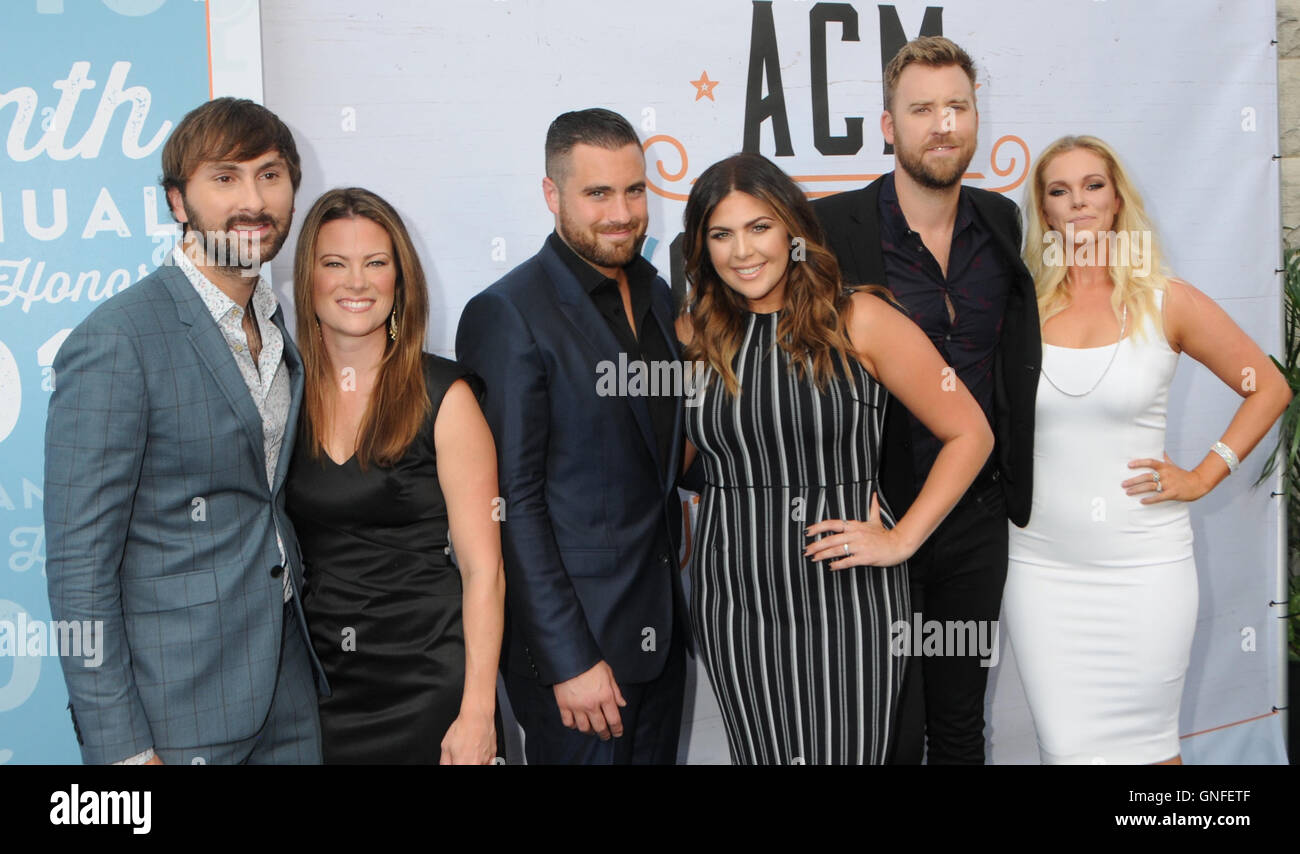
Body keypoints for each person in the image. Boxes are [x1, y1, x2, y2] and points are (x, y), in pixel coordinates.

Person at [677, 151, 994, 764]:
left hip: (846, 596)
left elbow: (971, 434)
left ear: (794, 229)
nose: (742, 250)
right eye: (721, 234)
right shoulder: (696, 334)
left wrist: (902, 541)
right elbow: (689, 457)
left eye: (759, 226)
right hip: (734, 599)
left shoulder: (859, 319)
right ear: (703, 247)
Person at [44, 98, 325, 764]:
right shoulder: (118, 341)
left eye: (270, 174)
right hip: (174, 714)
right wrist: (121, 748)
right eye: (224, 178)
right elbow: (80, 569)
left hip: (288, 688)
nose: (253, 200)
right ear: (178, 202)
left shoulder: (279, 328)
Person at [1004, 135, 1291, 764]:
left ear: (1115, 201)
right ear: (1044, 210)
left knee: (1149, 753)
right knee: (1067, 749)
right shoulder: (1017, 307)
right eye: (1059, 191)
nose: (1078, 202)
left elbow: (1268, 386)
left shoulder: (1167, 301)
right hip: (1042, 571)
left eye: (1092, 186)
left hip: (1145, 569)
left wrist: (1205, 474)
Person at [811, 36, 1041, 764]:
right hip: (875, 512)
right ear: (888, 127)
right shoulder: (829, 229)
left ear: (976, 118)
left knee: (960, 726)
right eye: (921, 109)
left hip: (973, 515)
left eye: (957, 107)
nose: (943, 124)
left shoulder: (999, 222)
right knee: (885, 729)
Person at [455, 108, 688, 764]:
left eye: (634, 190)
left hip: (660, 637)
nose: (621, 212)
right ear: (552, 195)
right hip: (579, 660)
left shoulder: (660, 298)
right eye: (597, 193)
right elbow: (511, 503)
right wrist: (568, 660)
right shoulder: (508, 313)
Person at [285, 188, 505, 764]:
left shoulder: (445, 396)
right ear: (307, 279)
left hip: (431, 686)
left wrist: (477, 712)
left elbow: (485, 571)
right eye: (335, 263)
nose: (356, 283)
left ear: (400, 280)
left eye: (376, 263)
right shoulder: (283, 398)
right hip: (323, 689)